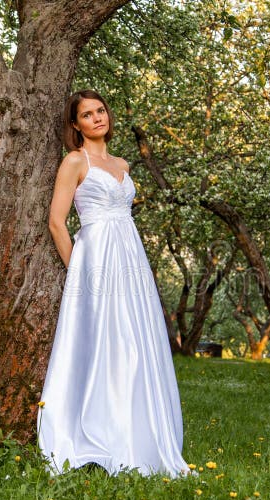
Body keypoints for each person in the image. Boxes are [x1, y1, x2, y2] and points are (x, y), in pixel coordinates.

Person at [37, 90, 189, 477]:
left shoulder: (121, 162)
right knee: (103, 340)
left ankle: (139, 432)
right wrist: (79, 270)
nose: (96, 118)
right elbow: (57, 222)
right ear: (76, 125)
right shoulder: (75, 161)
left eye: (100, 110)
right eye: (87, 115)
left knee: (135, 341)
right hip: (96, 258)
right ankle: (96, 431)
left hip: (130, 257)